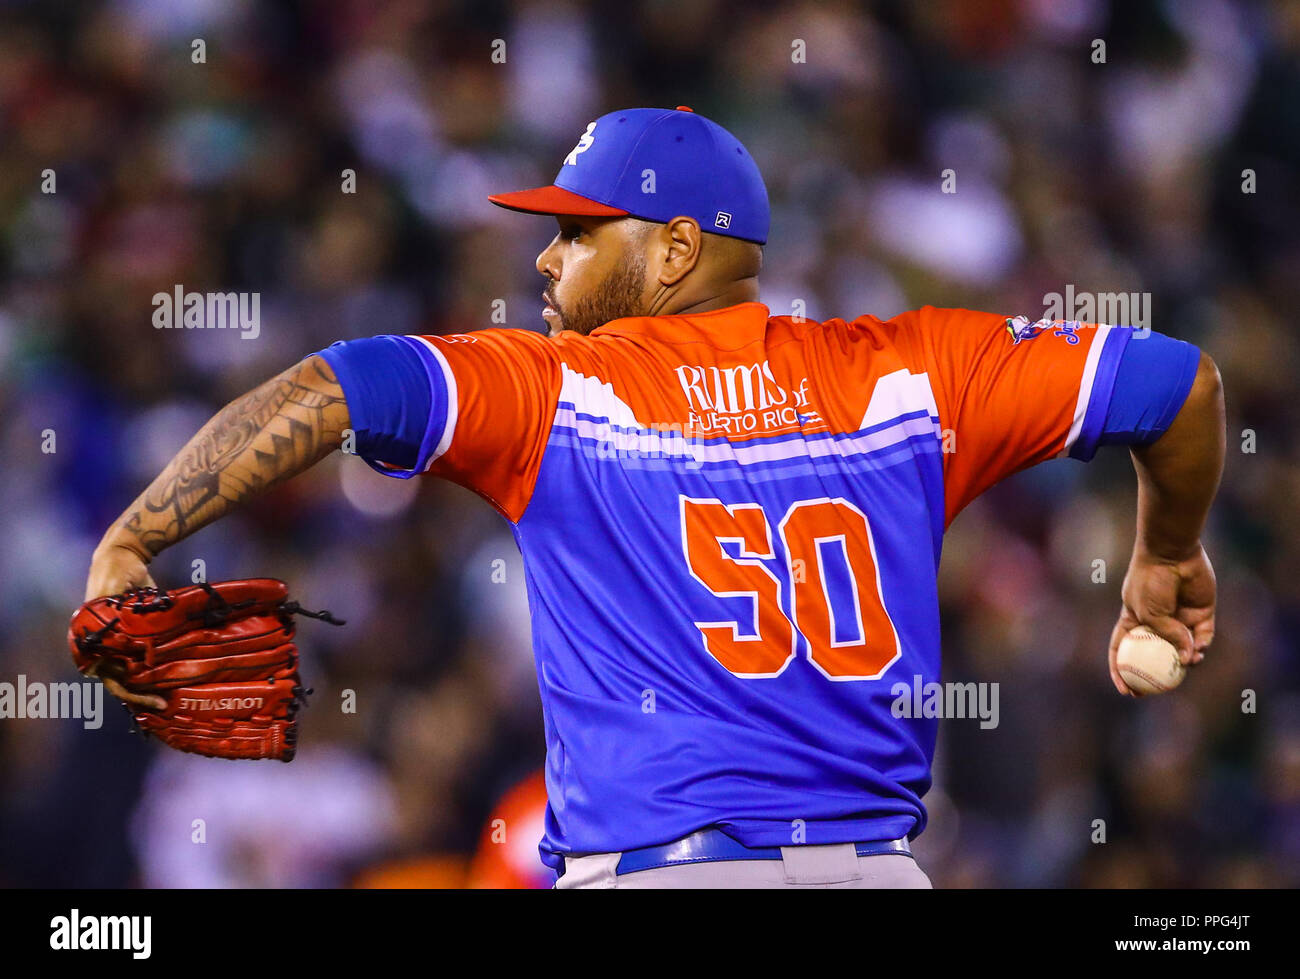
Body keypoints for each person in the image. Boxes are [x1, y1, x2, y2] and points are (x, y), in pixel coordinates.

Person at [84, 107, 1225, 888]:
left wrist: (138, 536)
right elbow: (1179, 385)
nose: (547, 260)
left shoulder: (558, 391)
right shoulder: (913, 373)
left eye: (578, 233)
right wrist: (1163, 553)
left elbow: (339, 385)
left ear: (675, 249)